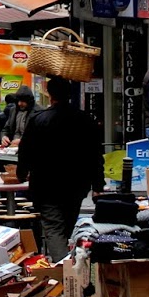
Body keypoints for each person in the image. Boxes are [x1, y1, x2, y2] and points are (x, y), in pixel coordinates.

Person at [15, 77, 103, 261]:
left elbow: (25, 150)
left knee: (54, 228)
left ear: (49, 93)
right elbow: (95, 154)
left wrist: (21, 173)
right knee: (67, 224)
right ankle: (66, 267)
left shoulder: (39, 120)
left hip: (46, 185)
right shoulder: (84, 119)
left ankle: (64, 271)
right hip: (76, 184)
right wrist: (97, 184)